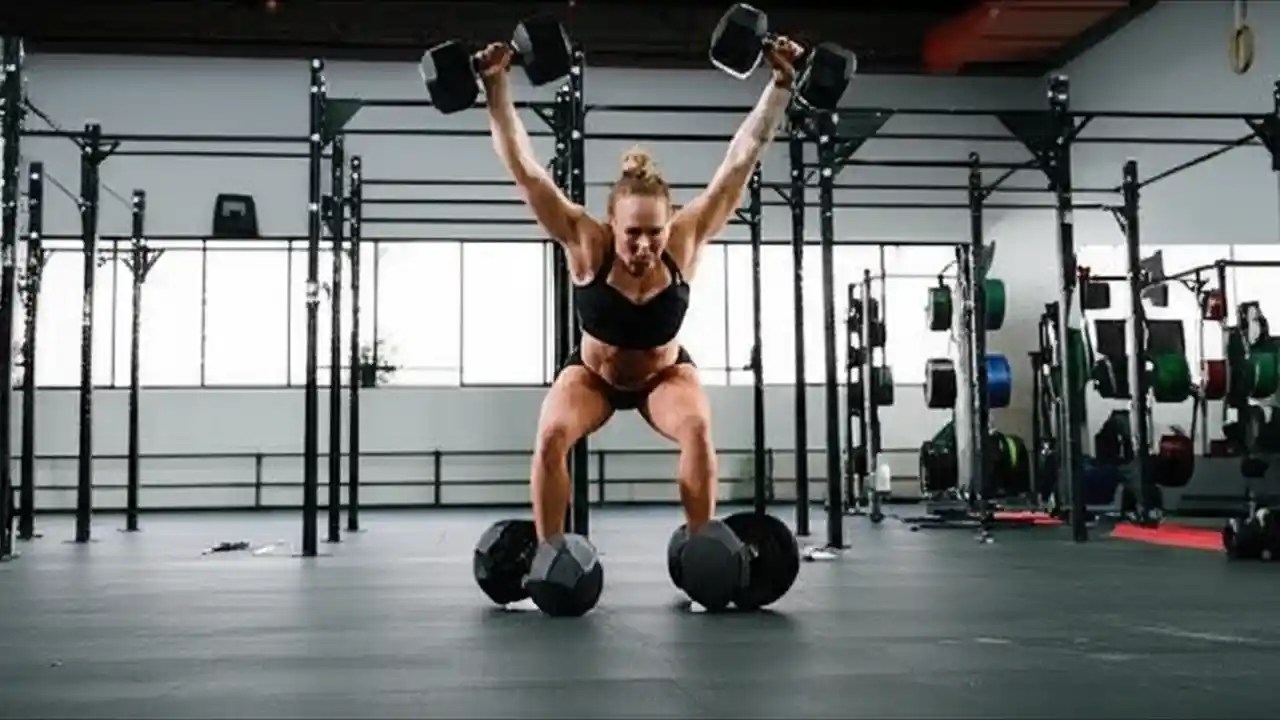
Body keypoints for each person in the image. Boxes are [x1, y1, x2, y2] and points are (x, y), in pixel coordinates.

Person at [480, 36, 804, 544]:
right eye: (633, 233)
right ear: (612, 224)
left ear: (669, 222)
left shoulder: (684, 241)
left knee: (697, 431)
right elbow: (526, 171)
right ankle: (548, 555)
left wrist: (781, 85)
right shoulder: (587, 244)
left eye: (655, 231)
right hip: (593, 376)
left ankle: (703, 553)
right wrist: (497, 86)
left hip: (663, 377)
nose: (646, 244)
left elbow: (739, 163)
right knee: (549, 437)